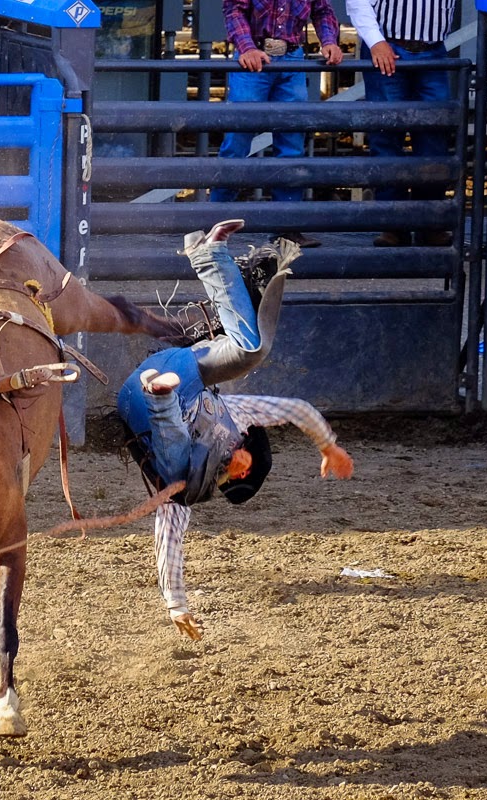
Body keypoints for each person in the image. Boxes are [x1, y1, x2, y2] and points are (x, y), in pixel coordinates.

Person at [118, 220, 355, 640]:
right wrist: (327, 446)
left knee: (176, 478)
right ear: (250, 450)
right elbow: (295, 409)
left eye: (237, 474)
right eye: (247, 468)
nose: (240, 467)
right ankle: (214, 257)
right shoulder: (238, 412)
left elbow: (168, 537)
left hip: (151, 399)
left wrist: (176, 605)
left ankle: (161, 397)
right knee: (252, 347)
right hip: (177, 372)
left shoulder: (193, 483)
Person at [212, 0, 344, 248]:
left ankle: (286, 228)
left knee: (291, 142)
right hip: (253, 59)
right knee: (238, 141)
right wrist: (247, 47)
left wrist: (329, 41)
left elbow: (323, 10)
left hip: (291, 58)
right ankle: (215, 225)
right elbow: (234, 9)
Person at [346, 0, 456, 247]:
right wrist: (375, 41)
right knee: (387, 135)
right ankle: (393, 223)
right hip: (389, 47)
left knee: (434, 137)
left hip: (433, 50)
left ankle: (430, 222)